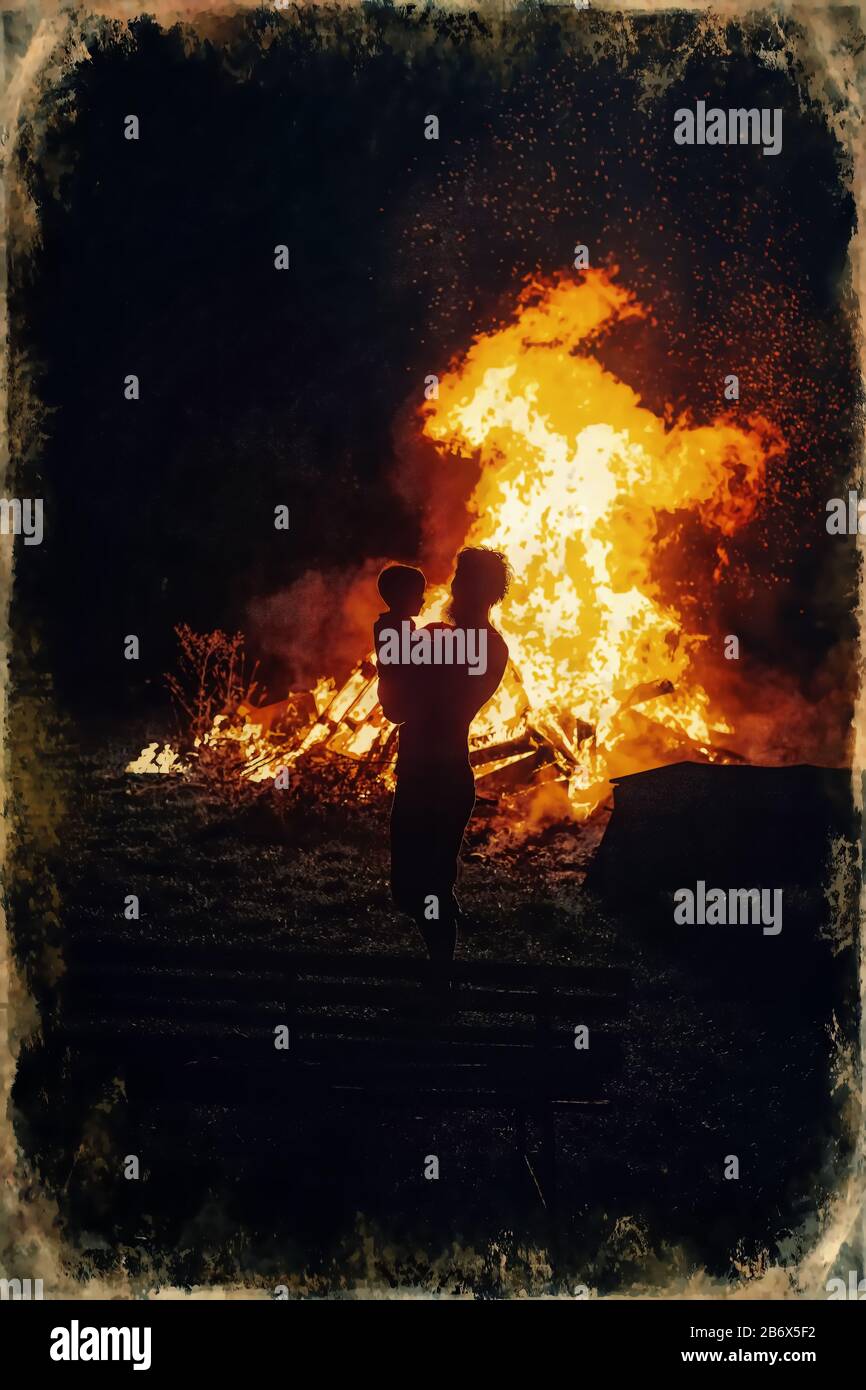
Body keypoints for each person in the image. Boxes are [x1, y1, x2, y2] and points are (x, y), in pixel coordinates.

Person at [380, 547, 511, 972]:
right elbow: (397, 705)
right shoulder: (461, 641)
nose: (451, 586)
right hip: (421, 774)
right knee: (411, 887)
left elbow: (398, 705)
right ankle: (443, 958)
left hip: (439, 777)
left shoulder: (483, 646)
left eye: (460, 578)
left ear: (478, 590)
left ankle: (442, 975)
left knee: (427, 887)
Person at [373, 564, 426, 716]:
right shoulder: (390, 627)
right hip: (397, 697)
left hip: (397, 694)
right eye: (418, 594)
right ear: (401, 596)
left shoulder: (396, 623)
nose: (423, 600)